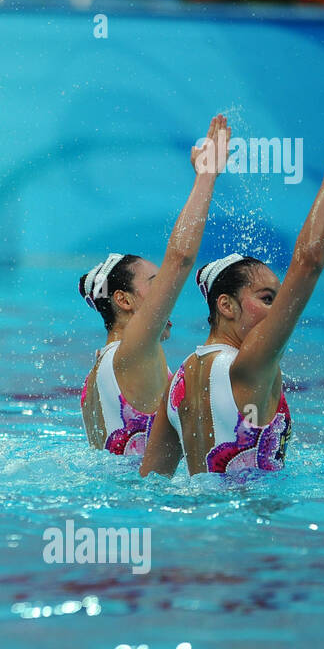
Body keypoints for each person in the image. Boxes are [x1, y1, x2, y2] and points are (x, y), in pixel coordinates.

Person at [140, 103, 324, 478]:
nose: (277, 310)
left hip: (198, 532)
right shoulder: (249, 366)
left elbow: (148, 486)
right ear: (226, 305)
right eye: (266, 298)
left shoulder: (178, 385)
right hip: (253, 533)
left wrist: (205, 177)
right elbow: (308, 264)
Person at [79, 114, 229, 455]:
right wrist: (207, 176)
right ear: (124, 301)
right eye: (155, 283)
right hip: (143, 506)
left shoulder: (97, 374)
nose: (167, 294)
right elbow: (180, 260)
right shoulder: (134, 352)